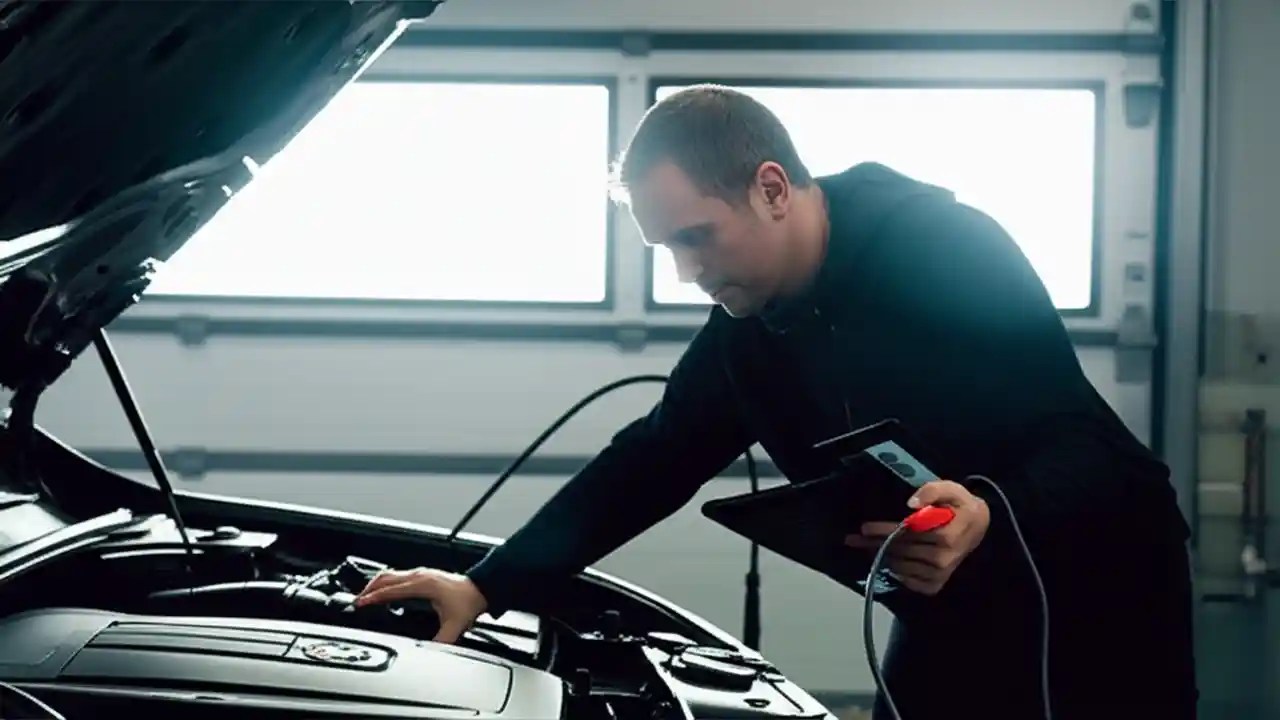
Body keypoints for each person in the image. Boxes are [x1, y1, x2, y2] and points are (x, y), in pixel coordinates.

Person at [354, 85, 1198, 719]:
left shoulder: (947, 249)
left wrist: (987, 509)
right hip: (950, 600)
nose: (688, 273)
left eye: (696, 237)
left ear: (770, 188)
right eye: (667, 249)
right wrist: (487, 586)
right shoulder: (747, 331)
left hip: (1095, 585)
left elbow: (1080, 444)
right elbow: (651, 461)